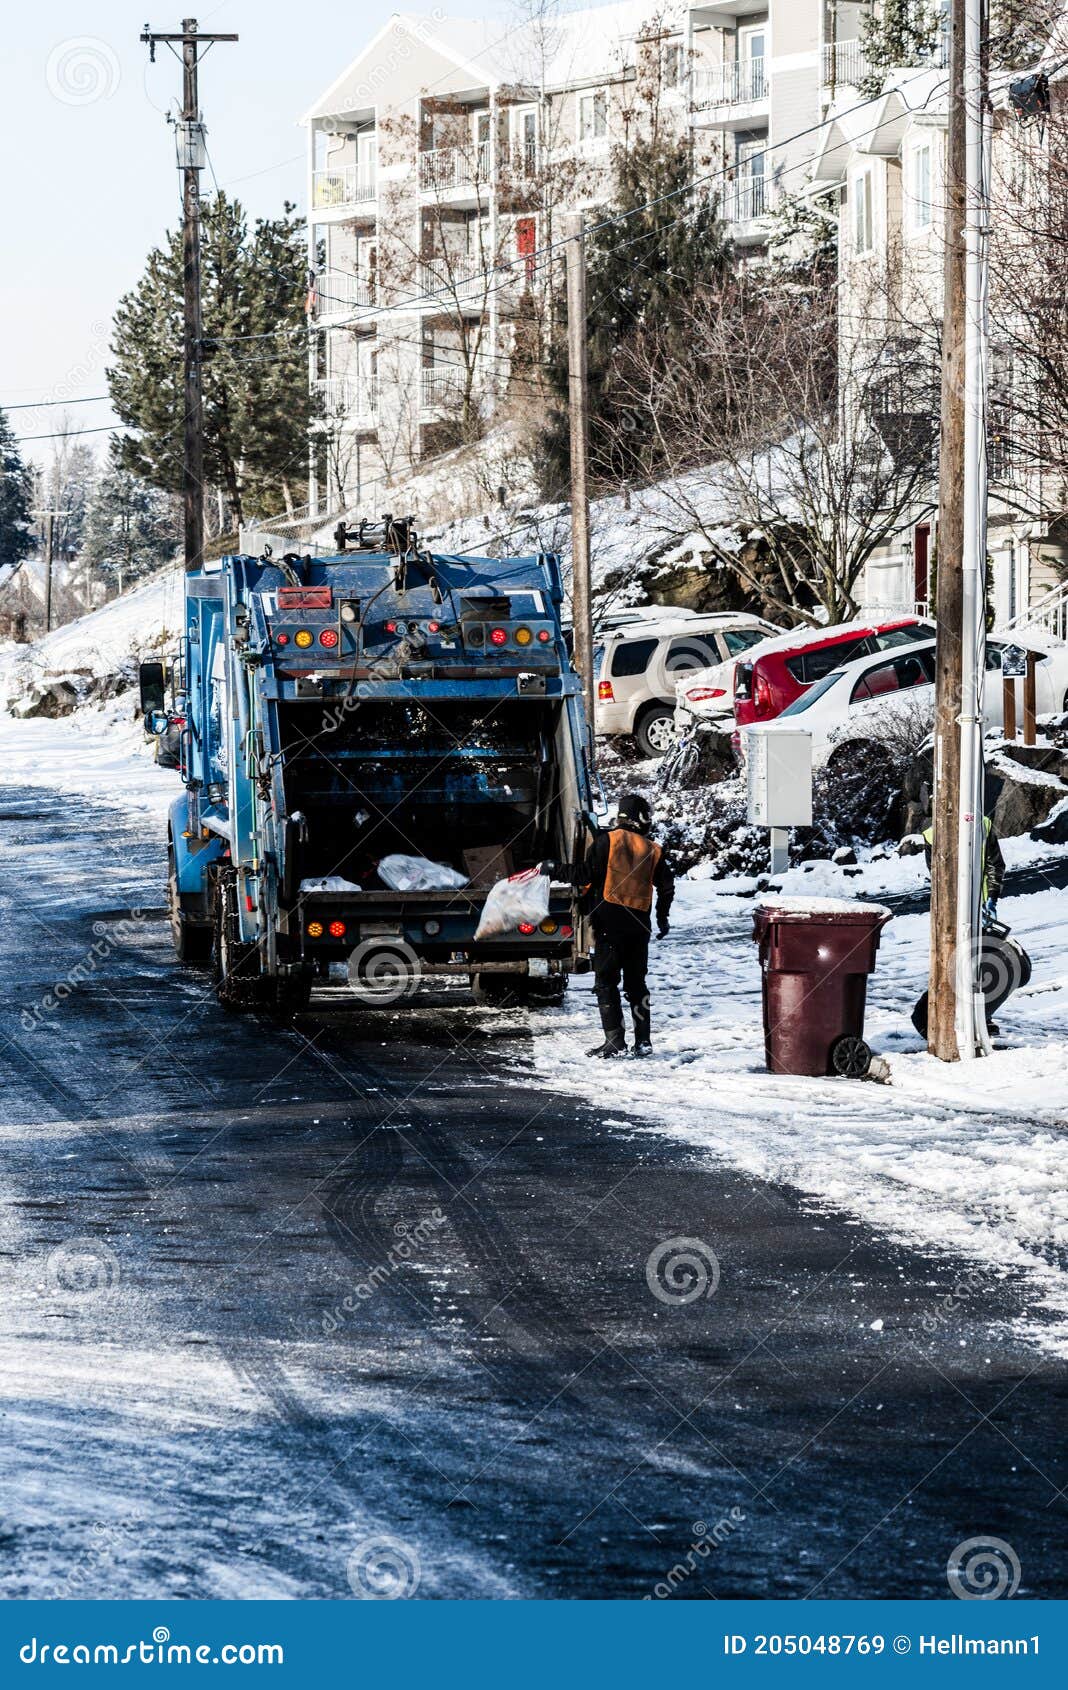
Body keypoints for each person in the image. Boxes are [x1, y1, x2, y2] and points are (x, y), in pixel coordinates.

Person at [581, 792, 675, 1059]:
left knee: (606, 982)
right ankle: (643, 1041)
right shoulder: (653, 849)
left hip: (608, 926)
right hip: (639, 927)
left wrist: (553, 869)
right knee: (636, 984)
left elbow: (586, 875)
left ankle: (614, 1041)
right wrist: (662, 917)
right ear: (642, 818)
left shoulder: (605, 842)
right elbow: (667, 887)